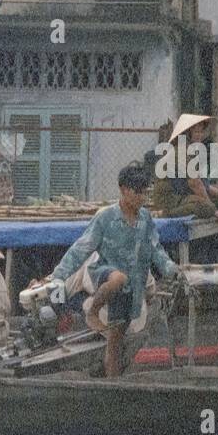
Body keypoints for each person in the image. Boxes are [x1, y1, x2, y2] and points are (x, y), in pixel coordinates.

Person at [36, 162, 181, 378]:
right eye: (137, 192)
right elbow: (80, 249)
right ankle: (92, 312)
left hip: (132, 288)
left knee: (115, 342)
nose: (142, 198)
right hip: (104, 273)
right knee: (118, 278)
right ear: (123, 190)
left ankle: (113, 384)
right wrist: (57, 276)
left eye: (145, 193)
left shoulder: (145, 219)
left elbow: (155, 249)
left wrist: (170, 267)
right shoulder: (105, 216)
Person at [149, 113, 218, 219]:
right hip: (171, 202)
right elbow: (195, 184)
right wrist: (212, 209)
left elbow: (205, 185)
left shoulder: (191, 152)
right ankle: (163, 214)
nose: (199, 135)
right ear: (187, 134)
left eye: (201, 131)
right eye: (196, 132)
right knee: (202, 205)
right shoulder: (180, 151)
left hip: (182, 198)